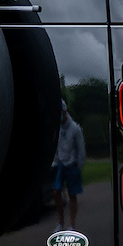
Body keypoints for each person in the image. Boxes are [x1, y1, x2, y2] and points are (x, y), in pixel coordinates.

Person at [51, 99, 85, 231]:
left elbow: (81, 148)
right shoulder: (57, 128)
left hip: (72, 165)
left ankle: (72, 224)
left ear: (65, 112)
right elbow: (56, 145)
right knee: (56, 192)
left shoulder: (75, 128)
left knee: (72, 195)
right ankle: (60, 222)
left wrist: (79, 165)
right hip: (60, 164)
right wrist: (55, 161)